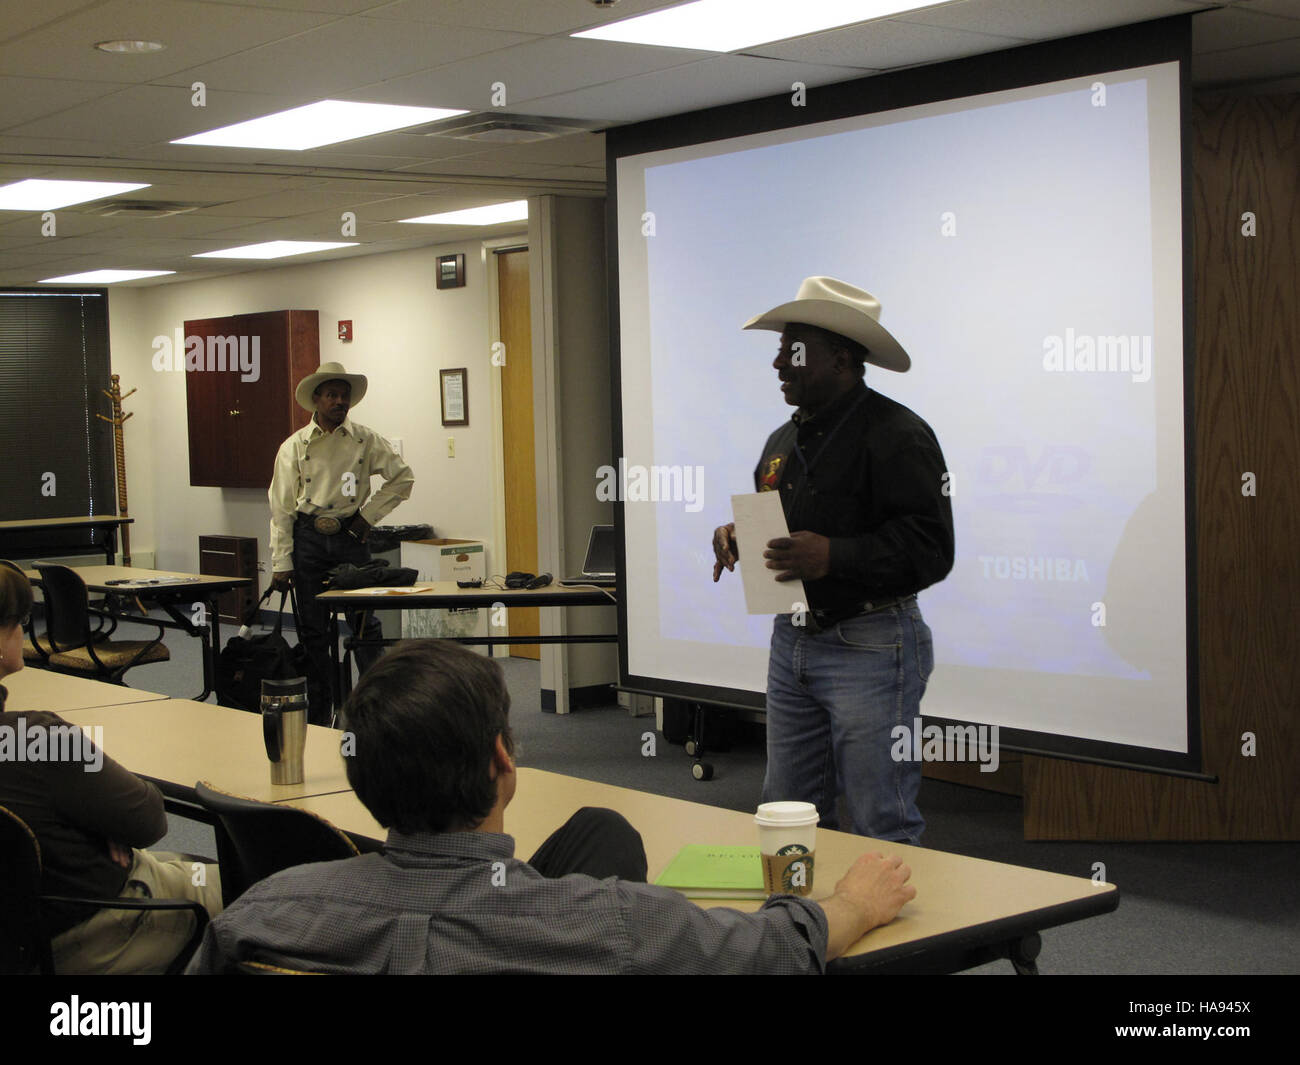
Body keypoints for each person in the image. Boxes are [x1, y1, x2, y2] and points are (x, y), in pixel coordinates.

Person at [186, 639, 915, 975]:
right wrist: (853, 901)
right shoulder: (611, 923)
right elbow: (779, 950)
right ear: (505, 761)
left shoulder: (264, 912)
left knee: (599, 831)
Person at [712, 277, 955, 844]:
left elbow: (932, 550)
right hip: (792, 640)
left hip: (871, 643)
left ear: (842, 357)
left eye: (792, 348)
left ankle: (899, 935)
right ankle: (793, 930)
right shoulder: (781, 441)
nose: (777, 363)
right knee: (787, 813)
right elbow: (781, 532)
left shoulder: (899, 435)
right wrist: (740, 537)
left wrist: (834, 557)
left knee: (881, 821)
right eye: (779, 349)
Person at [0, 564, 222, 973]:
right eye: (20, 622)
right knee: (264, 890)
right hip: (93, 930)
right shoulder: (35, 739)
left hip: (20, 943)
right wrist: (105, 822)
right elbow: (148, 820)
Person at [268, 361, 414, 722]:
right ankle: (325, 706)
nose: (339, 401)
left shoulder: (365, 439)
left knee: (365, 624)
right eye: (331, 395)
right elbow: (282, 508)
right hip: (309, 538)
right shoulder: (294, 446)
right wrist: (281, 562)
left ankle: (378, 705)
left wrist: (367, 518)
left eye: (344, 396)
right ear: (316, 399)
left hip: (351, 535)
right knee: (314, 630)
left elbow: (402, 479)